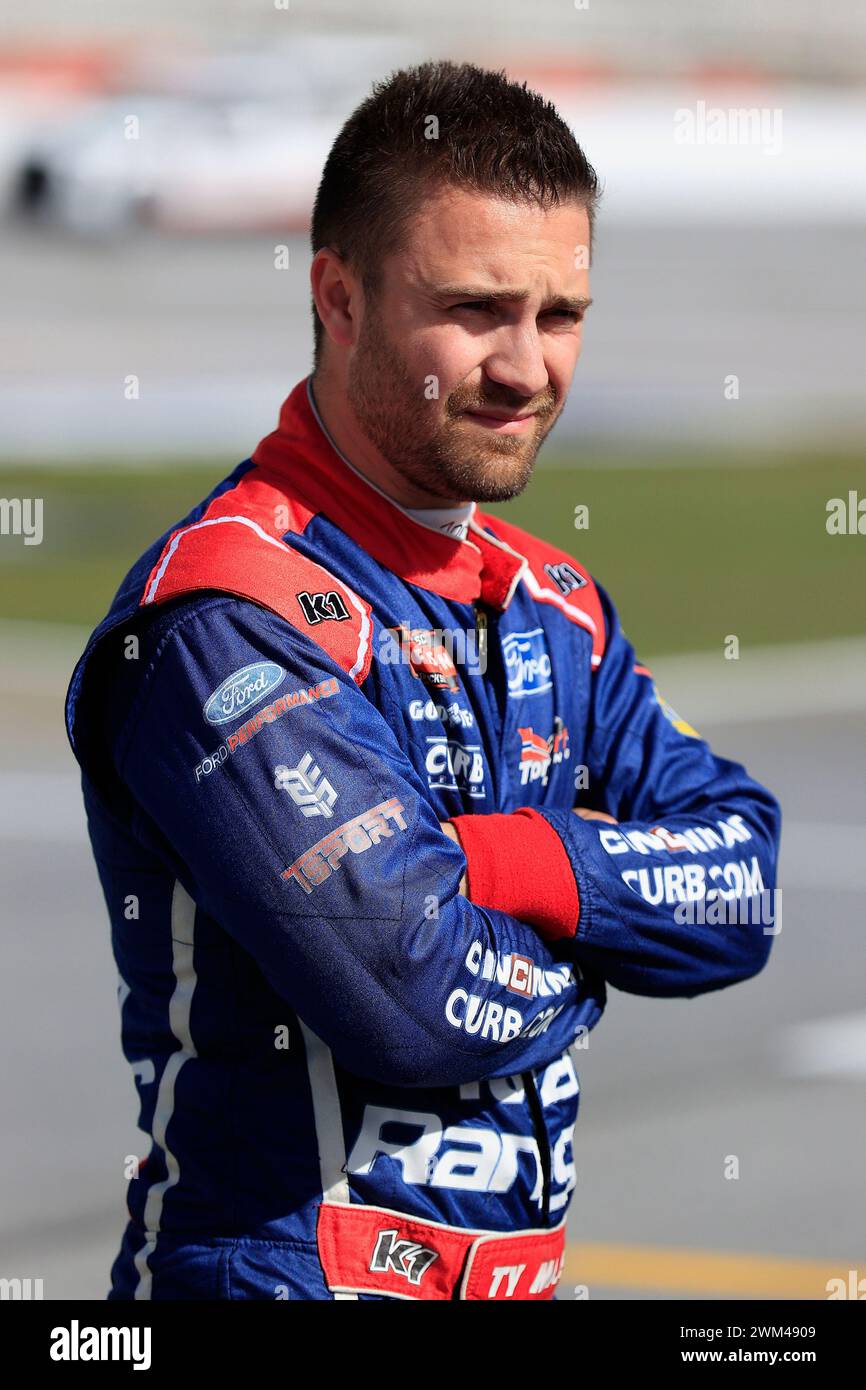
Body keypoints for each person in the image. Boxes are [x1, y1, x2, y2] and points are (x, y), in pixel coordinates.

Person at [65, 61, 781, 1302]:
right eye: (474, 308)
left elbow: (747, 886)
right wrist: (613, 919)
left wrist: (515, 867)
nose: (525, 367)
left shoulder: (552, 603)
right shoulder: (226, 614)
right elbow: (414, 992)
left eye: (559, 315)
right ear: (337, 298)